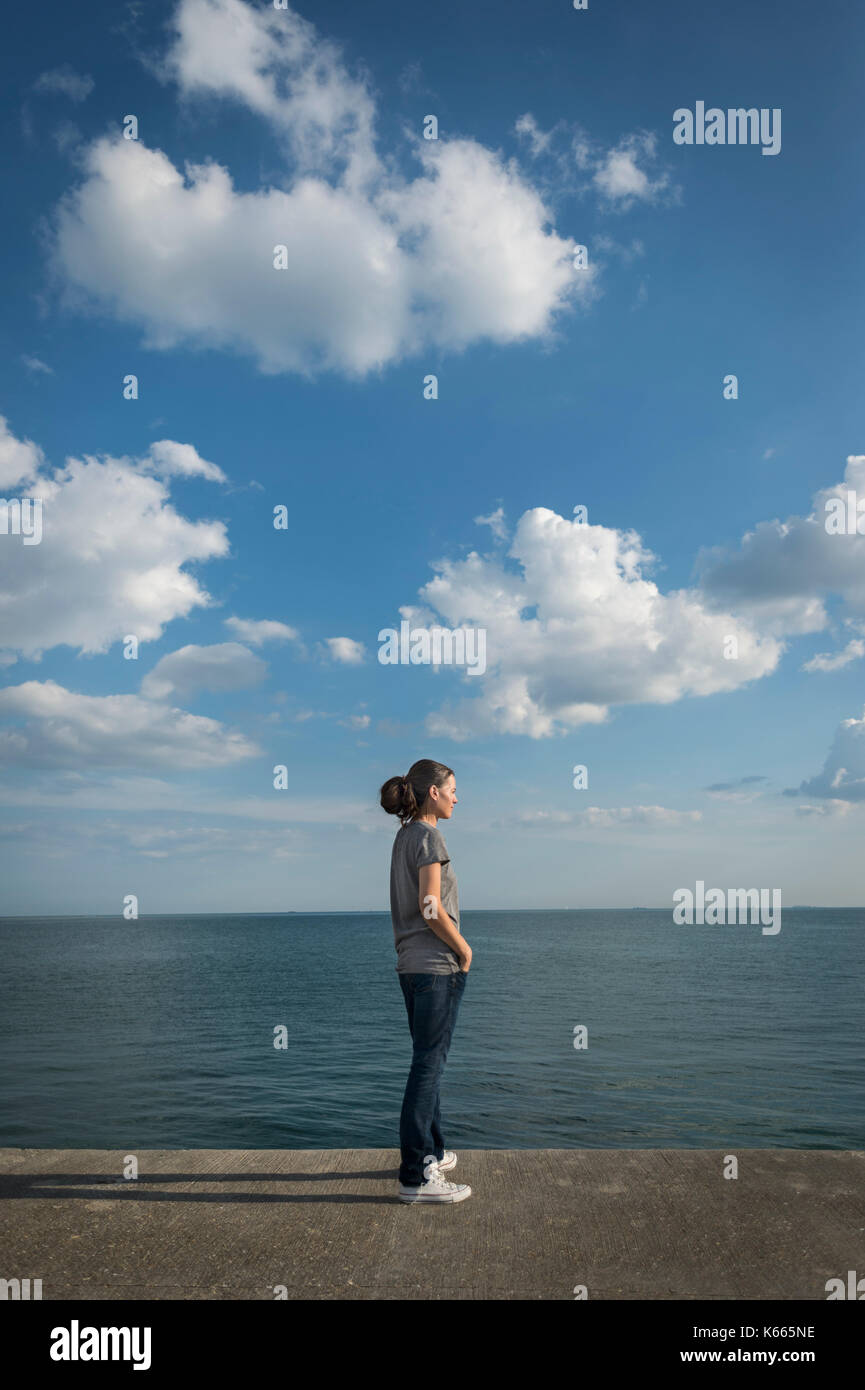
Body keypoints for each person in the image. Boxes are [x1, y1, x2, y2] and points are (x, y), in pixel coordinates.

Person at [380, 759, 473, 1204]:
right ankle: (415, 1177)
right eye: (452, 789)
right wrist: (464, 949)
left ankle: (432, 1151)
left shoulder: (404, 837)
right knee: (428, 1066)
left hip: (410, 966)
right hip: (436, 965)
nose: (457, 797)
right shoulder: (430, 836)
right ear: (433, 792)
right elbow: (430, 907)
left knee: (425, 1060)